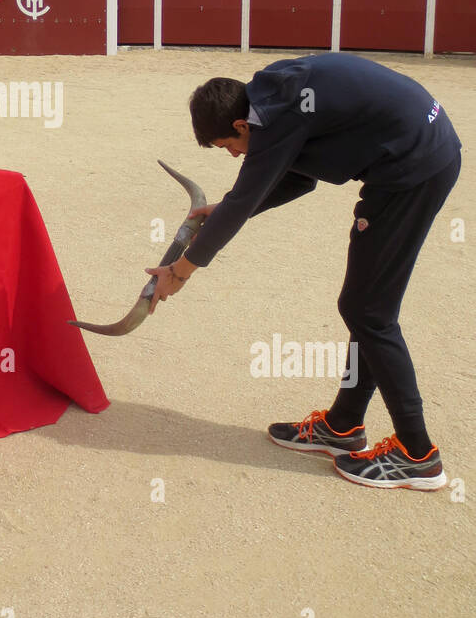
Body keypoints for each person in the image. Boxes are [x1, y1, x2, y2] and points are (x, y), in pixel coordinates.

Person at [145, 52, 462, 491]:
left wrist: (179, 272)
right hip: (418, 151)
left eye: (229, 147)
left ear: (240, 126)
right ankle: (344, 425)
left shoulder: (276, 118)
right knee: (366, 307)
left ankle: (418, 455)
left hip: (414, 167)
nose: (235, 155)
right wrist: (226, 209)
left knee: (369, 311)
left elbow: (244, 197)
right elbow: (298, 178)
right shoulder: (269, 97)